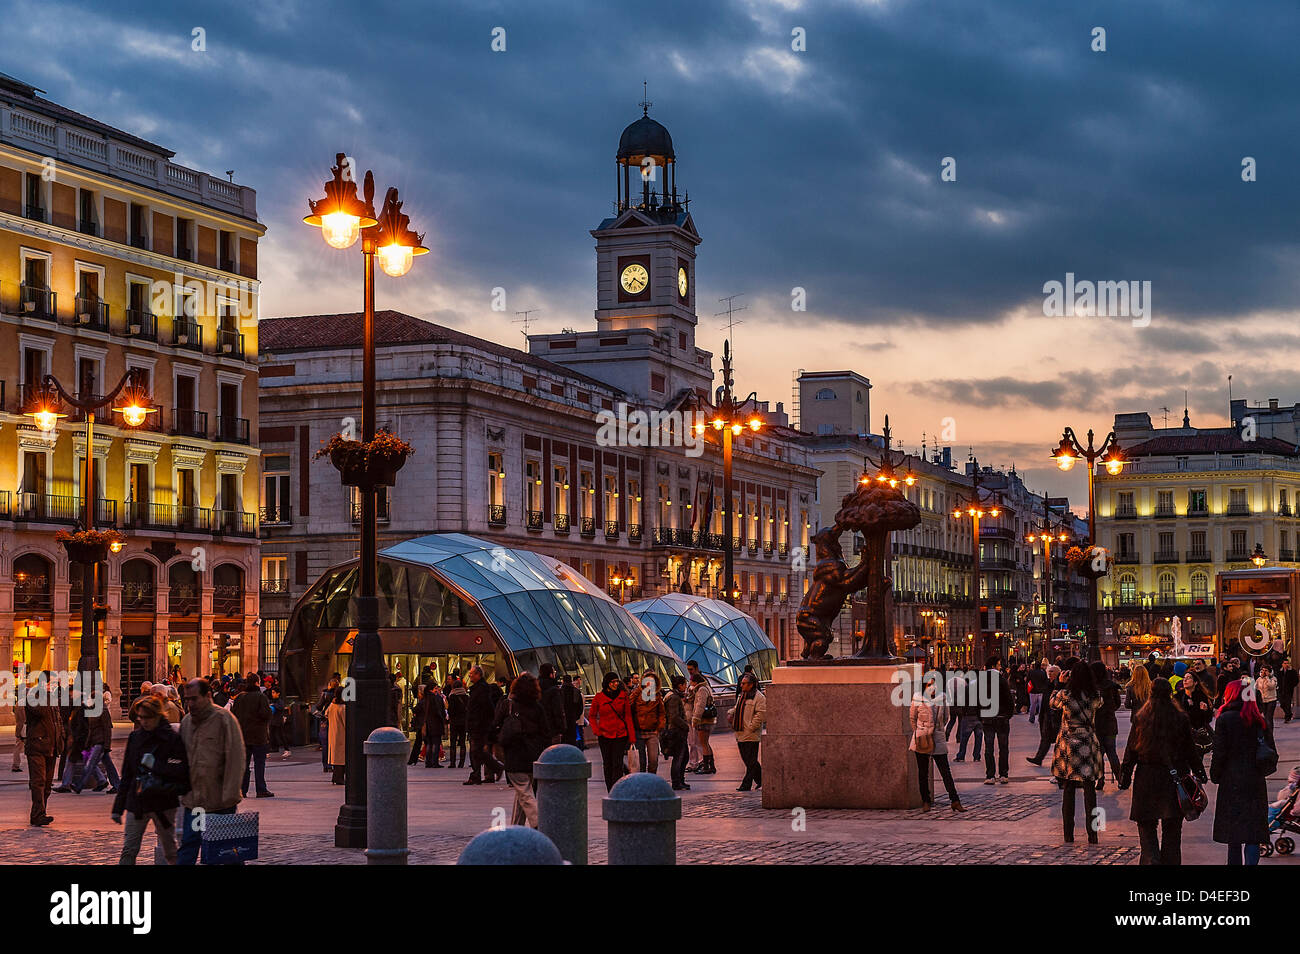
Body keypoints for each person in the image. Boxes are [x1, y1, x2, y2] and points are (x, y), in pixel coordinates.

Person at [1117, 679, 1205, 865]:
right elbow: (1190, 749)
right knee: (1172, 830)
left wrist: (1124, 775)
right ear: (1170, 694)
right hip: (1174, 778)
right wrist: (1199, 771)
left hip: (1147, 777)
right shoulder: (1180, 718)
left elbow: (1131, 750)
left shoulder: (1142, 718)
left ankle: (1151, 859)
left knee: (1146, 826)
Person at [113, 695, 190, 865]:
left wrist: (156, 765)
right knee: (129, 849)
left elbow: (181, 771)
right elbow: (127, 773)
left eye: (147, 718)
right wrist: (118, 808)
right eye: (140, 717)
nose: (143, 722)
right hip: (138, 800)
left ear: (157, 716)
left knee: (170, 849)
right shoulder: (135, 737)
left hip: (162, 801)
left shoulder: (172, 738)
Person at [177, 678, 246, 865]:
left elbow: (236, 758)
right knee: (189, 846)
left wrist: (230, 795)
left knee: (226, 851)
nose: (190, 704)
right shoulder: (186, 723)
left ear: (207, 696)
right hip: (195, 803)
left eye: (194, 699)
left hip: (220, 802)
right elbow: (182, 759)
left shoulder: (224, 719)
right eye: (187, 699)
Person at [1210, 679, 1271, 865]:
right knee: (1252, 833)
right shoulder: (1259, 721)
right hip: (1255, 781)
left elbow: (1219, 752)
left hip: (1232, 780)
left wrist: (1215, 775)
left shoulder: (1225, 719)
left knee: (1233, 834)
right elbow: (1269, 751)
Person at [1051, 661, 1103, 844]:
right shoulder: (1095, 695)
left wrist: (1060, 683)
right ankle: (1093, 834)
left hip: (1069, 745)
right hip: (1088, 743)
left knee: (1069, 789)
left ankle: (1068, 834)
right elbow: (1100, 704)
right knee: (1090, 790)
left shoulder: (1065, 695)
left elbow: (1052, 703)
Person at [491, 672, 553, 827]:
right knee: (523, 793)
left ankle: (539, 822)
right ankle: (516, 828)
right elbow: (546, 733)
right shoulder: (537, 708)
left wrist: (496, 741)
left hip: (514, 755)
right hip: (533, 756)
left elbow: (494, 725)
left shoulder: (508, 704)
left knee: (524, 793)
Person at [909, 670, 965, 812]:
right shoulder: (917, 698)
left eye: (934, 685)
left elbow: (946, 717)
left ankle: (955, 800)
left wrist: (938, 729)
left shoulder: (943, 698)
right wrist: (919, 731)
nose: (932, 688)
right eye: (929, 685)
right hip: (922, 738)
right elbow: (912, 718)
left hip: (938, 738)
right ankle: (925, 801)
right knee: (923, 773)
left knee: (945, 771)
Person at [24, 671, 64, 827]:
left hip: (51, 746)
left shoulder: (52, 698)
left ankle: (41, 813)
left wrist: (62, 738)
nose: (55, 686)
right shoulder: (33, 696)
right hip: (37, 745)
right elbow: (39, 711)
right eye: (52, 683)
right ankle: (38, 814)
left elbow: (57, 720)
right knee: (38, 782)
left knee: (47, 784)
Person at [588, 671, 637, 791]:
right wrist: (596, 730)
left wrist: (632, 736)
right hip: (604, 735)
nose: (615, 684)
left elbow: (628, 717)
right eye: (613, 682)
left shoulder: (622, 695)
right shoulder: (599, 697)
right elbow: (592, 716)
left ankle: (616, 789)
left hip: (620, 734)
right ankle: (610, 788)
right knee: (607, 763)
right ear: (607, 683)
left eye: (616, 681)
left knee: (617, 763)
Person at [231, 675, 274, 798]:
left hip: (243, 736)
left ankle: (242, 790)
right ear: (256, 683)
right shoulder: (261, 697)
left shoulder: (239, 698)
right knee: (259, 764)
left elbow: (233, 716)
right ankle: (260, 789)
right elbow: (266, 715)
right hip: (258, 736)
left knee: (244, 764)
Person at [464, 666, 502, 785]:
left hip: (479, 725)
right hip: (477, 724)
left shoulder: (482, 689)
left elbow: (486, 708)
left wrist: (484, 724)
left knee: (477, 751)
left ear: (478, 675)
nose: (469, 675)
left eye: (472, 673)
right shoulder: (477, 689)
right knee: (476, 751)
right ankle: (476, 775)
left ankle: (496, 767)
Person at [981, 654, 1013, 784]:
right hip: (1001, 718)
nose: (1001, 667)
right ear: (994, 666)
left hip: (987, 718)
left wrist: (981, 716)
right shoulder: (1002, 680)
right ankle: (1003, 774)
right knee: (1003, 747)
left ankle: (990, 775)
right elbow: (1009, 699)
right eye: (999, 665)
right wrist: (1008, 715)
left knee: (989, 747)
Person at [733, 672, 767, 792]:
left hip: (751, 733)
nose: (741, 685)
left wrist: (752, 727)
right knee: (748, 760)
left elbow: (761, 713)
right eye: (741, 683)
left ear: (751, 685)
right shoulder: (742, 695)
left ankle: (746, 784)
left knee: (751, 760)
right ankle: (762, 779)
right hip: (740, 732)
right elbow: (737, 708)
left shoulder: (759, 697)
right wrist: (731, 713)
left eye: (744, 683)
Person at [1090, 660, 1122, 786]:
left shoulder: (1092, 687)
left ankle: (1101, 780)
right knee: (1112, 752)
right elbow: (1117, 704)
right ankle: (1120, 779)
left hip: (1096, 724)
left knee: (1098, 754)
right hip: (1110, 724)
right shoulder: (1111, 686)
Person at [630, 669, 666, 774]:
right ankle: (642, 781)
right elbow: (628, 705)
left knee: (653, 759)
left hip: (652, 731)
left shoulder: (657, 696)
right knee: (641, 761)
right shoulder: (637, 694)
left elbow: (662, 713)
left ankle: (652, 779)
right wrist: (637, 691)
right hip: (639, 731)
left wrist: (659, 728)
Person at [663, 675, 692, 791]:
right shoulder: (674, 698)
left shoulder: (672, 695)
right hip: (676, 731)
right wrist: (685, 726)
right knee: (679, 757)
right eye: (684, 684)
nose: (686, 687)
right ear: (680, 685)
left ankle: (680, 780)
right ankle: (677, 781)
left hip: (676, 731)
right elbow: (674, 716)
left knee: (683, 756)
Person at [687, 668, 717, 775]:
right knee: (705, 743)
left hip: (704, 720)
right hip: (706, 720)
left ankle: (706, 766)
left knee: (703, 743)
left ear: (695, 682)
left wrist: (695, 719)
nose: (690, 683)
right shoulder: (704, 688)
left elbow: (700, 705)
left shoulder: (702, 690)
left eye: (691, 681)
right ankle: (710, 765)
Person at [952, 670, 983, 763]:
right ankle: (976, 756)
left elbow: (962, 702)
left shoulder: (967, 688)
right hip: (979, 716)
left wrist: (963, 712)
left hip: (968, 715)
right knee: (979, 737)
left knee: (964, 737)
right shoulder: (982, 689)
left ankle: (961, 755)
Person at [420, 681, 448, 767]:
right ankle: (435, 762)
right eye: (435, 688)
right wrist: (442, 719)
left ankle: (428, 762)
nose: (437, 690)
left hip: (428, 724)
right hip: (436, 724)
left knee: (429, 743)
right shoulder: (437, 698)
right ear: (432, 689)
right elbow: (441, 711)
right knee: (436, 743)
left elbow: (418, 709)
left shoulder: (425, 699)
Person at [538, 663, 566, 746]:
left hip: (539, 729)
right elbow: (558, 711)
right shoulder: (554, 690)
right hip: (552, 729)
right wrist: (561, 728)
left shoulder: (535, 688)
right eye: (554, 672)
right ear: (550, 674)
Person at [326, 684, 347, 785]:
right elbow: (346, 722)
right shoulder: (343, 707)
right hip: (341, 734)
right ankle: (339, 778)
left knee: (336, 756)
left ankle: (335, 776)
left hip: (332, 732)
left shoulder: (332, 705)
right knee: (341, 758)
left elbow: (326, 713)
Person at [446, 678, 469, 768]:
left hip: (454, 722)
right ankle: (462, 763)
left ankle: (452, 762)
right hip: (463, 722)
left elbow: (450, 710)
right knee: (462, 743)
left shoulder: (452, 697)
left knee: (453, 743)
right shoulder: (466, 697)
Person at [560, 674, 584, 747]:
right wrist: (576, 717)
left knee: (564, 740)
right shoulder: (576, 691)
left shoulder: (559, 691)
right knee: (573, 739)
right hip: (572, 719)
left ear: (563, 681)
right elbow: (580, 707)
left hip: (563, 719)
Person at [1256, 665, 1279, 731]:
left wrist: (1267, 678)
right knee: (1265, 717)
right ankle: (1266, 732)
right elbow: (1256, 688)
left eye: (1266, 670)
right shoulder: (1259, 679)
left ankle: (1270, 733)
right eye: (1262, 670)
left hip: (1271, 700)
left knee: (1269, 718)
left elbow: (1271, 686)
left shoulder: (1273, 679)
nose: (1264, 672)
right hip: (1263, 701)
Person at [1026, 659, 1048, 724]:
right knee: (1041, 706)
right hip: (1041, 691)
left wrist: (1027, 689)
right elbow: (1045, 681)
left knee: (1032, 705)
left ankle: (1031, 718)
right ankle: (1040, 718)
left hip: (1033, 691)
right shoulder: (1043, 672)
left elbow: (1027, 681)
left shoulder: (1031, 672)